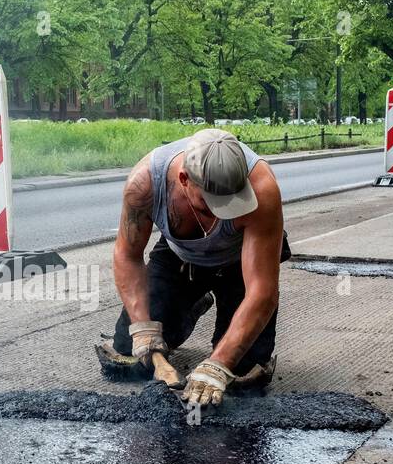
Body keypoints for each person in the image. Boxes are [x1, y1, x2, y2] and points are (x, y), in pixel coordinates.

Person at [109, 128, 288, 407]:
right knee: (130, 350)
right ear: (184, 179)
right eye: (210, 204)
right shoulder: (145, 184)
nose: (222, 211)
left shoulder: (263, 188)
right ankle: (192, 302)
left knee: (241, 371)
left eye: (232, 203)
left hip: (239, 263)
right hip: (181, 260)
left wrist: (217, 365)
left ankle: (221, 330)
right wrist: (144, 329)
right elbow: (127, 255)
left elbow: (262, 290)